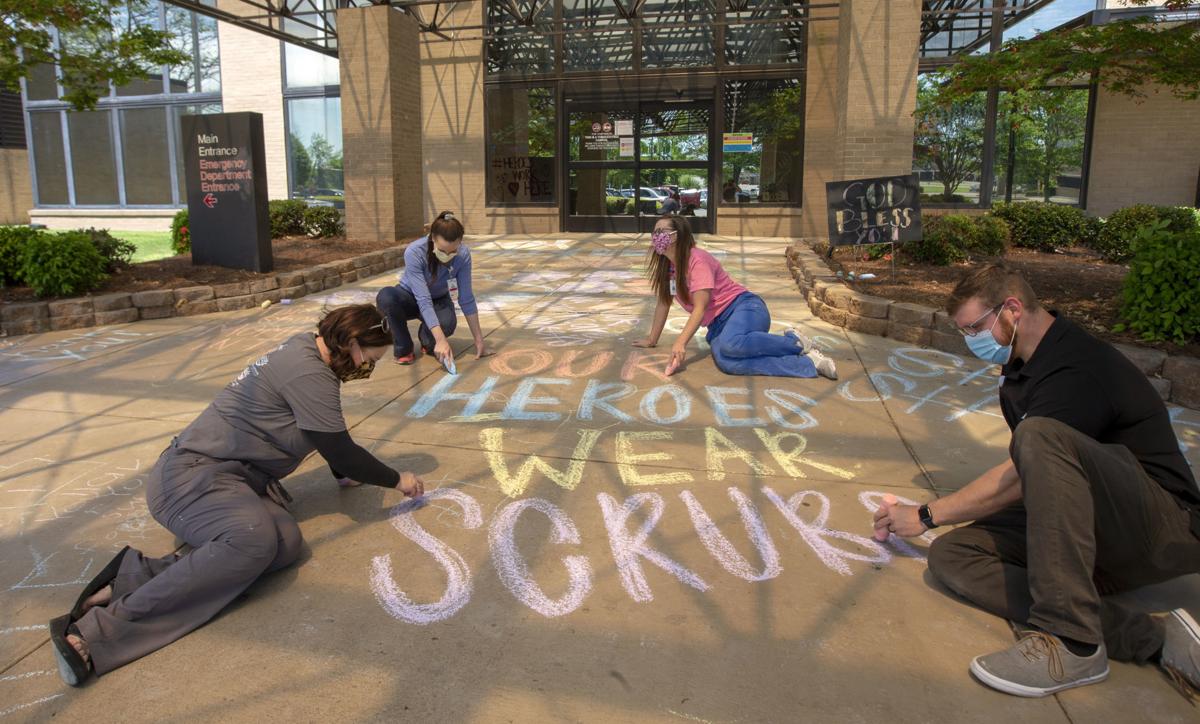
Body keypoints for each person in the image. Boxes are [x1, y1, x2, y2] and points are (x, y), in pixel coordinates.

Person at [50, 305, 427, 686]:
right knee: (253, 541)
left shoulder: (308, 351)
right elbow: (339, 447)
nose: (368, 367)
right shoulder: (309, 373)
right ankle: (98, 633)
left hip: (229, 480)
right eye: (370, 358)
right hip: (189, 480)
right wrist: (399, 480)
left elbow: (321, 431)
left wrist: (341, 472)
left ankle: (131, 578)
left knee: (284, 544)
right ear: (350, 342)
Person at [873, 263, 1200, 699]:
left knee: (1040, 434)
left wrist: (926, 515)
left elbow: (1021, 477)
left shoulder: (1078, 368)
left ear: (1011, 310)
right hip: (1094, 520)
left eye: (975, 328)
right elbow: (1035, 477)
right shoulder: (1025, 366)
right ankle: (1151, 638)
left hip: (1161, 525)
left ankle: (1073, 643)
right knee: (954, 556)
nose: (972, 342)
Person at [632, 215, 837, 380]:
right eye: (655, 231)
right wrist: (652, 339)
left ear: (679, 236)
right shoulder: (669, 268)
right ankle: (809, 364)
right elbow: (663, 302)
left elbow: (700, 309)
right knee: (727, 362)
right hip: (718, 325)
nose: (656, 236)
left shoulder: (697, 260)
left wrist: (680, 342)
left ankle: (794, 343)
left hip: (745, 308)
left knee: (731, 344)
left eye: (662, 232)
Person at [376, 211, 489, 366]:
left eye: (453, 250)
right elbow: (423, 299)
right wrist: (441, 340)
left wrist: (479, 340)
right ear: (432, 238)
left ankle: (427, 340)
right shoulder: (415, 252)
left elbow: (466, 298)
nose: (448, 255)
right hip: (409, 296)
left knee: (448, 323)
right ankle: (404, 348)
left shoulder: (463, 255)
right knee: (387, 297)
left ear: (460, 242)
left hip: (439, 299)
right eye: (442, 250)